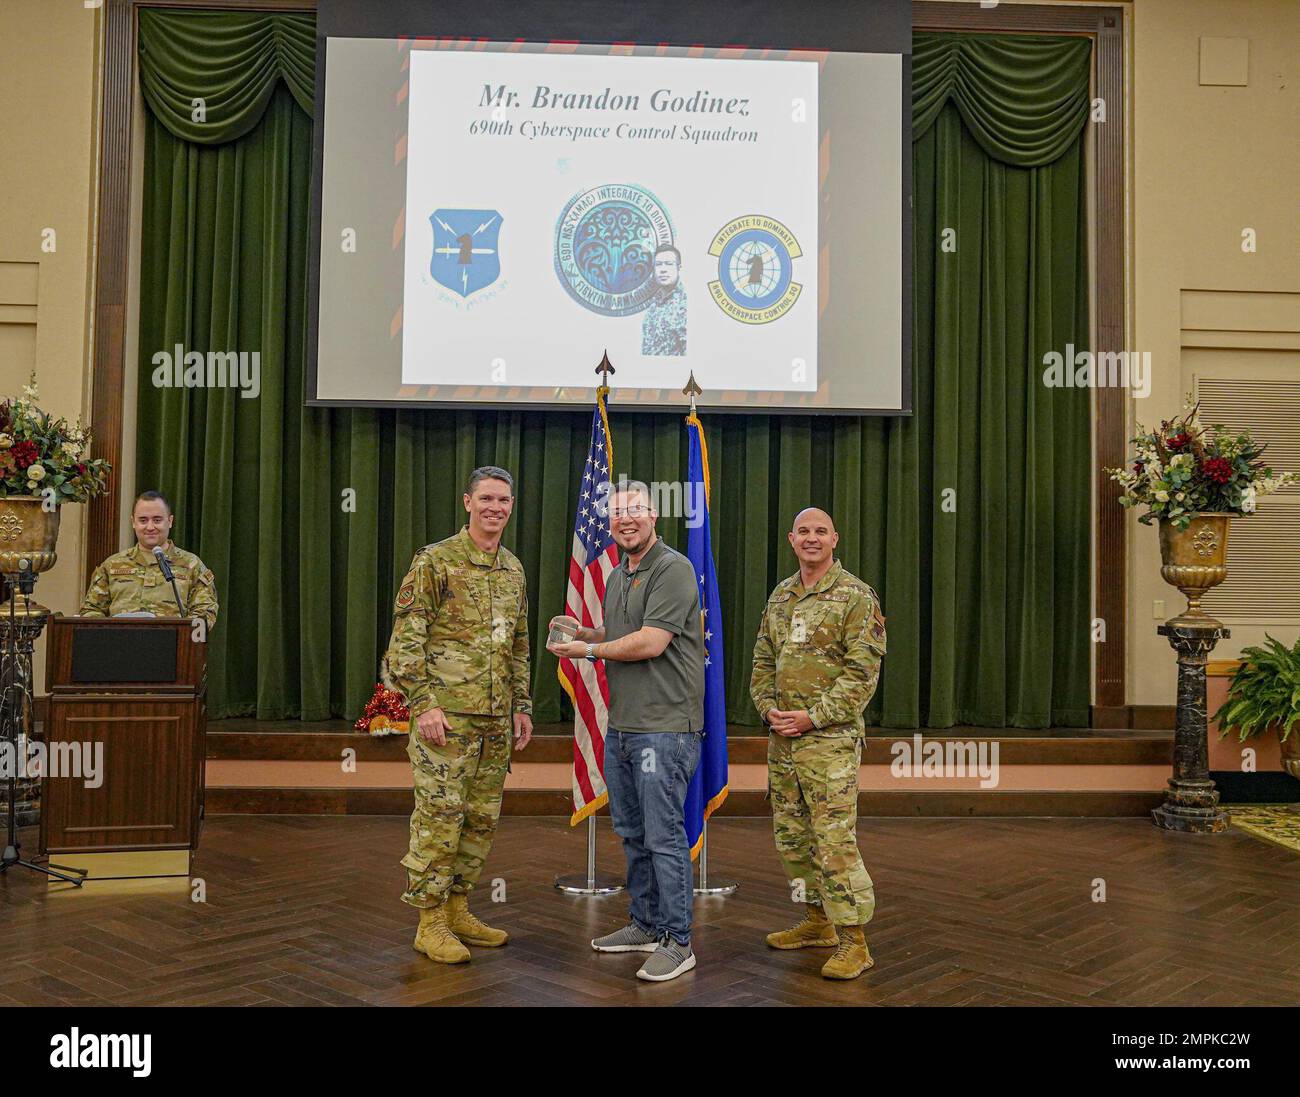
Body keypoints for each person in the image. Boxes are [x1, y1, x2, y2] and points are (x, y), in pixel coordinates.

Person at [549, 480, 704, 982]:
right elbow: (620, 636)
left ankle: (678, 942)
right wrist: (583, 632)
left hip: (665, 731)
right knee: (633, 835)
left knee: (663, 836)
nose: (625, 520)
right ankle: (645, 925)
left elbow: (651, 643)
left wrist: (588, 652)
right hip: (623, 730)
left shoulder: (673, 569)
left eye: (635, 510)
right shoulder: (619, 574)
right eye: (617, 514)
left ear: (654, 515)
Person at [383, 466, 534, 964]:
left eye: (504, 500)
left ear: (512, 506)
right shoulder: (436, 562)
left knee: (479, 820)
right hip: (445, 720)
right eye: (486, 498)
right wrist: (422, 704)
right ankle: (429, 922)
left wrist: (522, 706)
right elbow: (406, 642)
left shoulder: (512, 568)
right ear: (467, 502)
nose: (495, 507)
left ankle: (458, 908)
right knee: (439, 819)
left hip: (494, 721)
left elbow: (519, 645)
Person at [750, 507, 886, 980]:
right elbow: (763, 658)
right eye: (804, 532)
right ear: (791, 539)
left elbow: (862, 675)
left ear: (835, 539)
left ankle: (855, 941)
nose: (812, 539)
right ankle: (817, 922)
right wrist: (767, 708)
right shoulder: (782, 594)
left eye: (820, 532)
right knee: (792, 837)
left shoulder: (855, 597)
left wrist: (813, 717)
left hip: (829, 741)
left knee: (833, 840)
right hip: (783, 739)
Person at [79, 489, 218, 629]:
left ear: (170, 521)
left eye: (157, 520)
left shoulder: (192, 565)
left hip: (171, 646)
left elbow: (204, 613)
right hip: (119, 646)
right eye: (143, 520)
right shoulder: (111, 565)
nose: (150, 527)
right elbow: (91, 611)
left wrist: (182, 636)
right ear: (133, 522)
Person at [640, 244, 687, 356]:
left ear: (679, 267)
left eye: (669, 264)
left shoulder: (685, 305)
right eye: (659, 265)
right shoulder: (653, 305)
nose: (663, 270)